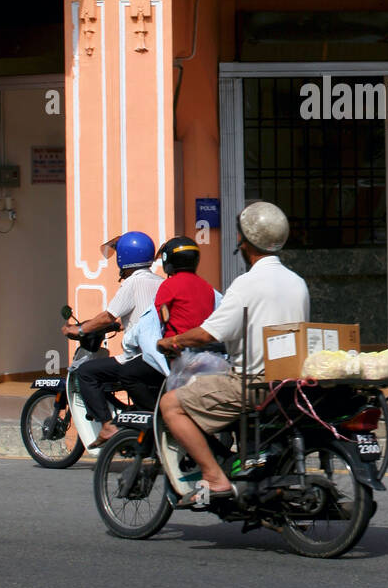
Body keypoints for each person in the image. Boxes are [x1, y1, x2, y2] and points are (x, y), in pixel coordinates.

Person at [158, 201, 309, 502]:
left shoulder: (246, 284)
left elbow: (207, 334)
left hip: (252, 384)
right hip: (287, 384)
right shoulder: (297, 282)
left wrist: (172, 341)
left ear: (246, 242)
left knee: (171, 405)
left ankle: (214, 478)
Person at [63, 230, 163, 446]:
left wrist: (79, 330)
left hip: (138, 356)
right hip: (158, 354)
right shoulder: (159, 281)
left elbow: (106, 316)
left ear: (124, 257)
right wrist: (120, 324)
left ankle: (107, 425)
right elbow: (142, 313)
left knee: (86, 372)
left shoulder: (133, 283)